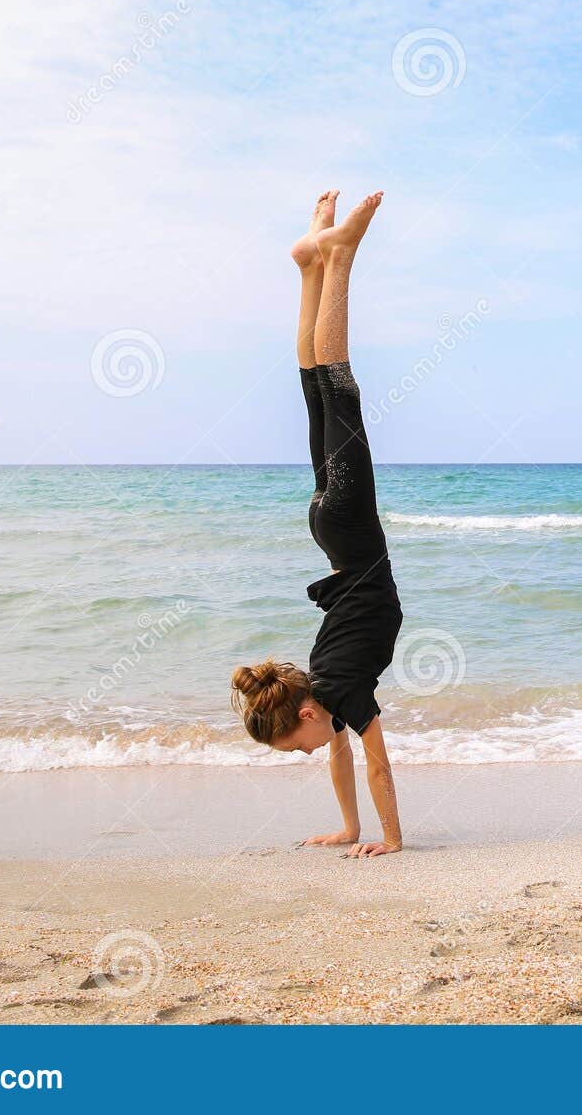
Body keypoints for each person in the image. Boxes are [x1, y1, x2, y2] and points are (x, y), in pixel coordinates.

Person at [231, 190, 405, 859]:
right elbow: (343, 757)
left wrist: (390, 838)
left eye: (291, 745)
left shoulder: (343, 691)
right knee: (315, 393)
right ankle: (310, 263)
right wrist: (350, 829)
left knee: (339, 386)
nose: (301, 752)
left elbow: (377, 764)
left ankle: (339, 258)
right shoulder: (321, 687)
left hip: (350, 527)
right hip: (327, 530)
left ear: (303, 713)